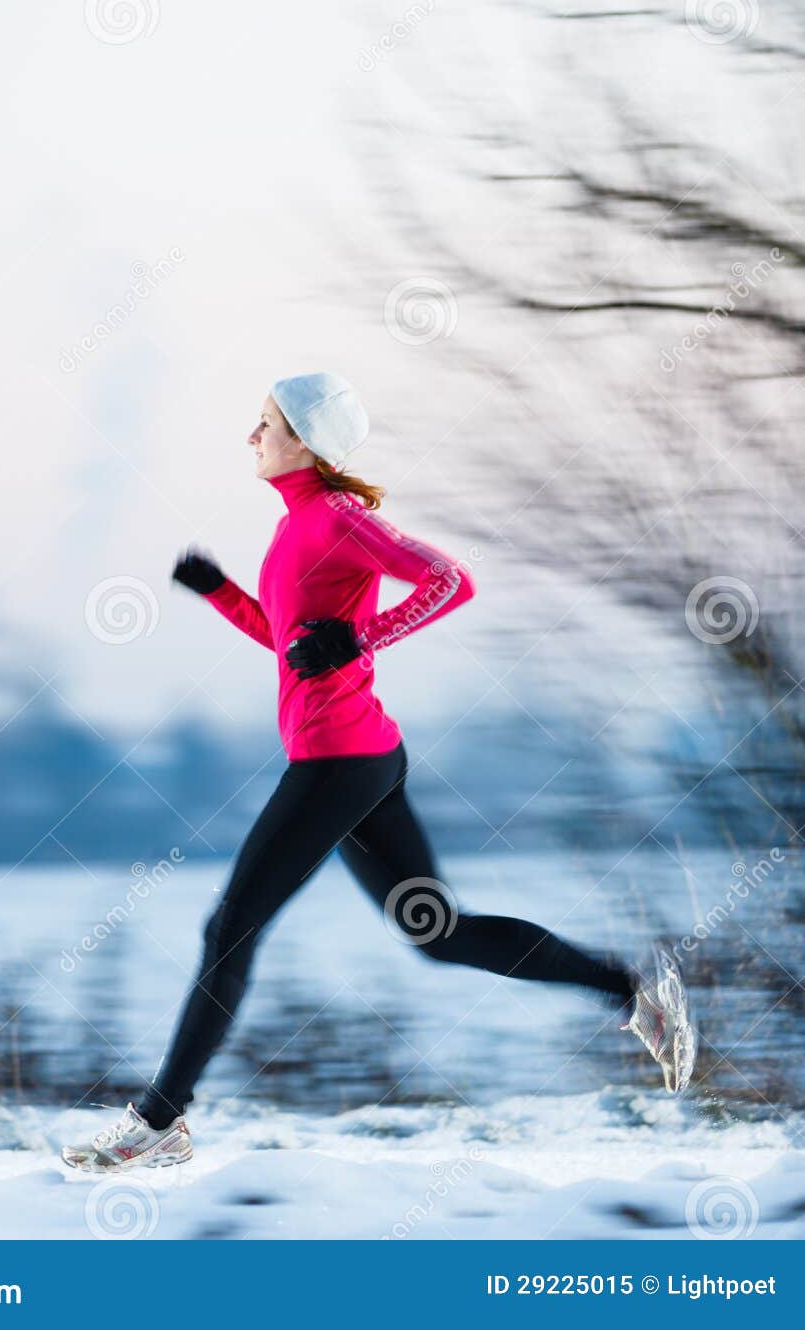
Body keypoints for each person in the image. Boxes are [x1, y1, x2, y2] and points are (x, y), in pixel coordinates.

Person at [62, 372, 694, 1173]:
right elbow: (291, 641)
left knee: (229, 929)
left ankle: (158, 1123)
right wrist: (220, 591)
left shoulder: (336, 517)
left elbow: (448, 582)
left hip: (339, 761)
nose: (249, 437)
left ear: (304, 440)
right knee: (438, 933)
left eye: (263, 424)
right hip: (357, 758)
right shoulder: (298, 524)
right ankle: (634, 991)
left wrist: (360, 643)